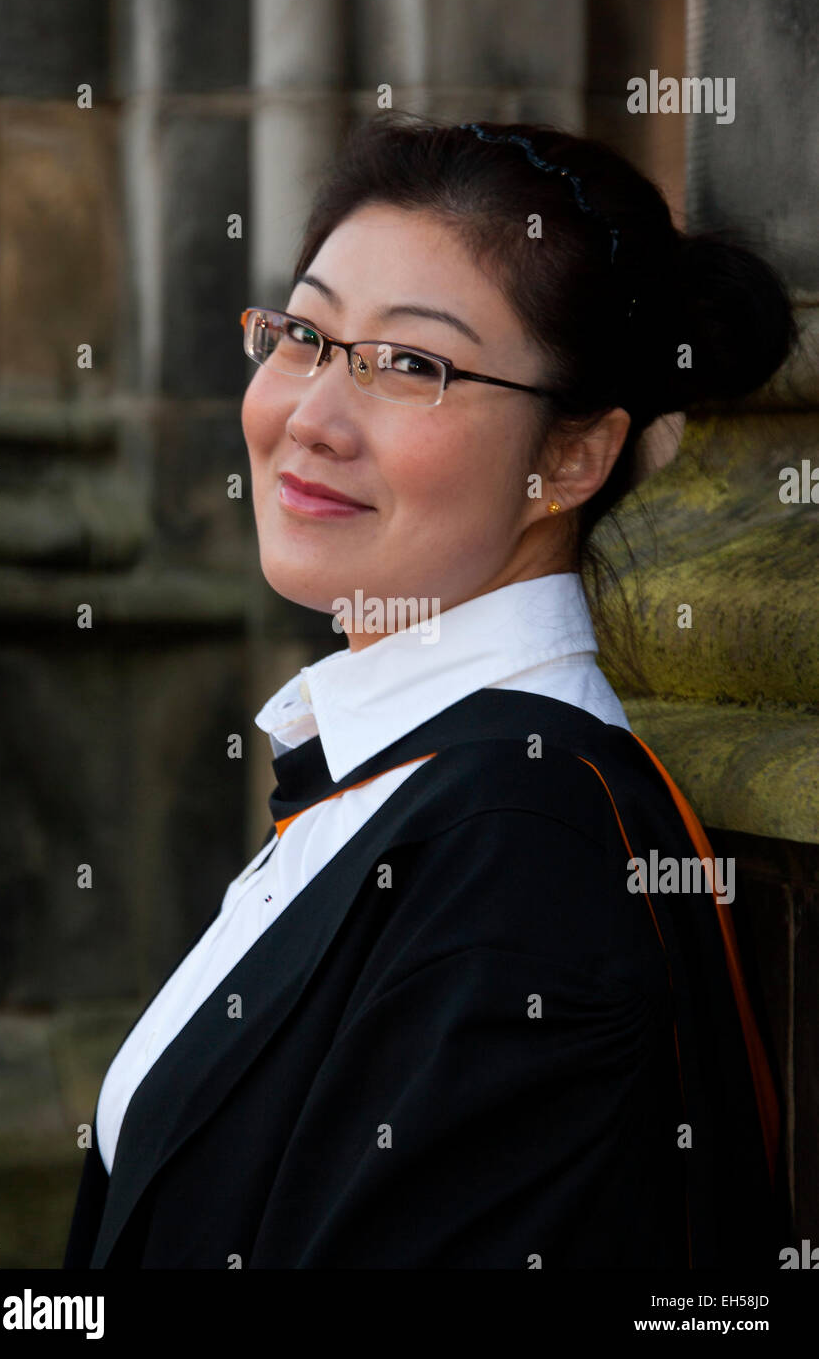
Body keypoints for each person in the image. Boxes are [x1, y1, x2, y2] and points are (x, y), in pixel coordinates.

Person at [64, 114, 795, 1269]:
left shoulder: (521, 857)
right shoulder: (405, 778)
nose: (308, 417)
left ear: (570, 458)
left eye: (412, 365)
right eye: (303, 333)